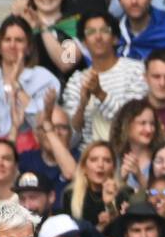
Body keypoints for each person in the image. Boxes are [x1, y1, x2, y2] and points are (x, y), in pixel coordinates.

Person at [63, 11, 149, 148]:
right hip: (88, 159)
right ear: (84, 43)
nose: (98, 37)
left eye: (104, 31)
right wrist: (82, 105)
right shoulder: (76, 81)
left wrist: (100, 94)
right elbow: (70, 140)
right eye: (90, 32)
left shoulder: (136, 70)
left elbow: (133, 123)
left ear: (115, 38)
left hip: (128, 153)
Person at [0, 15, 61, 140]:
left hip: (31, 151)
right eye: (7, 40)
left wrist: (15, 84)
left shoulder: (44, 78)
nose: (12, 45)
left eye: (19, 40)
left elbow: (40, 124)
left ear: (29, 48)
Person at [11, 0, 87, 84]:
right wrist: (16, 20)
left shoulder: (75, 23)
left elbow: (66, 62)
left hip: (68, 96)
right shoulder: (21, 23)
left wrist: (41, 28)